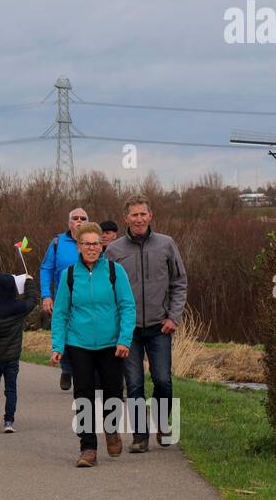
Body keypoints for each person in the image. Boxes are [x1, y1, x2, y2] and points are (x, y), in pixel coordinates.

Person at [102, 195, 187, 451]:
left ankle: (163, 423)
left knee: (162, 379)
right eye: (134, 215)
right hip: (128, 331)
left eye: (143, 214)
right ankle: (140, 436)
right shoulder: (114, 251)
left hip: (160, 326)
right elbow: (106, 290)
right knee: (135, 383)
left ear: (150, 216)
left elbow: (179, 282)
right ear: (126, 218)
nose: (139, 219)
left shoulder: (166, 245)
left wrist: (173, 316)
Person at [50, 222, 136, 467]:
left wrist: (124, 339)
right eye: (86, 244)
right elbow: (61, 314)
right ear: (78, 246)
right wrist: (58, 346)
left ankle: (111, 430)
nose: (92, 248)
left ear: (102, 245)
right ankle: (88, 448)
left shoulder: (114, 271)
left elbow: (127, 307)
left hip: (111, 344)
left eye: (96, 243)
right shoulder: (68, 275)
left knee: (113, 391)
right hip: (79, 343)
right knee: (84, 394)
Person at [0, 272, 40, 433]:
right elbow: (32, 300)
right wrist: (29, 282)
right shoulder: (19, 308)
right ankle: (9, 421)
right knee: (11, 388)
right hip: (13, 357)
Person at [40, 207, 89, 391]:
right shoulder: (57, 242)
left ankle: (83, 372)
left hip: (87, 298)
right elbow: (46, 269)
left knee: (84, 334)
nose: (79, 221)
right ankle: (67, 369)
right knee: (66, 335)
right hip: (64, 298)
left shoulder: (93, 242)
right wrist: (46, 295)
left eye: (82, 218)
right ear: (69, 222)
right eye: (75, 218)